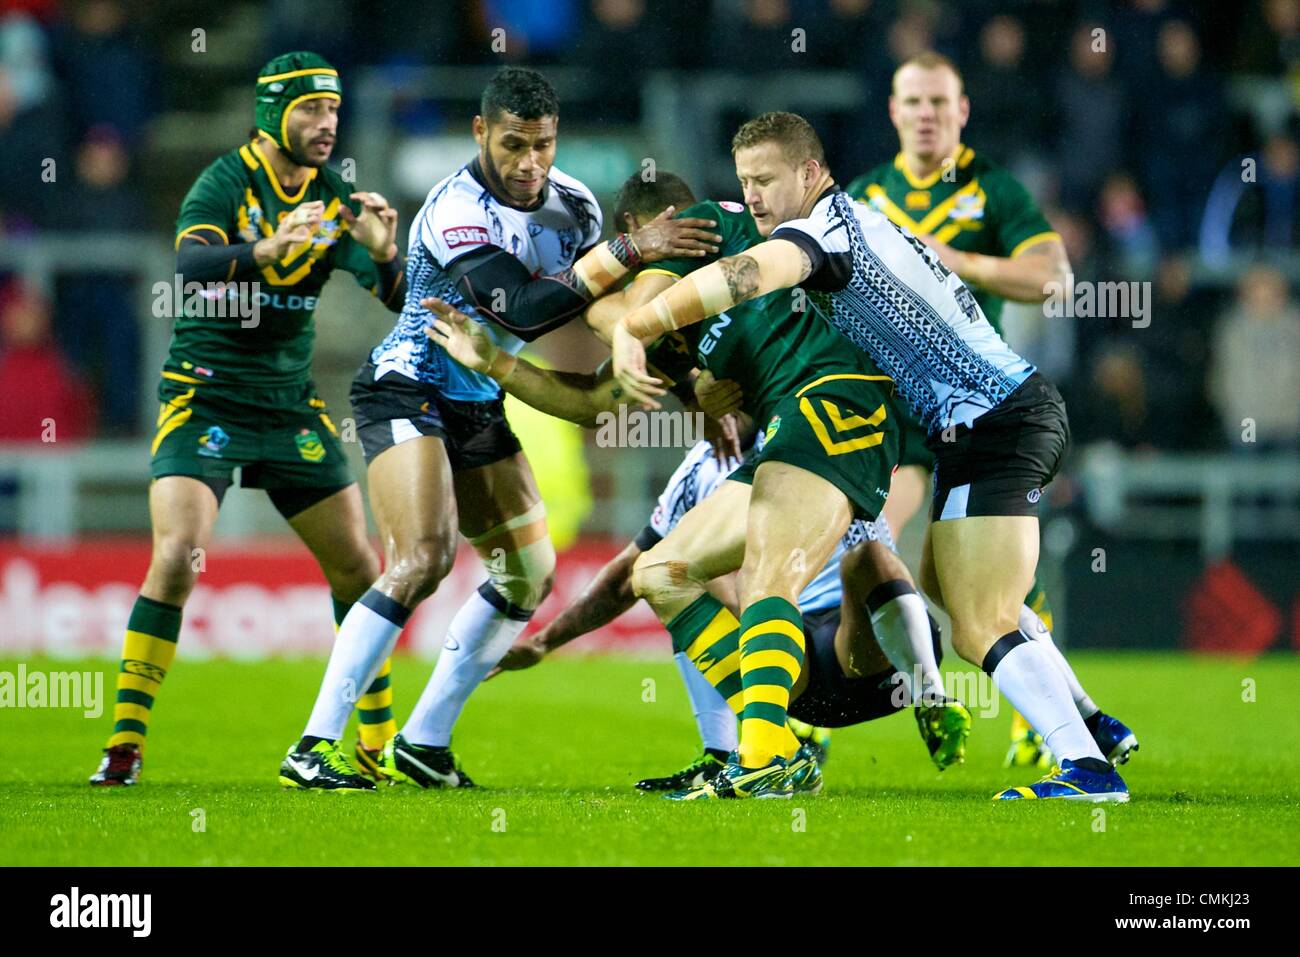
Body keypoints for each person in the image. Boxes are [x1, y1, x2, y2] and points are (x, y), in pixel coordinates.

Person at [610, 111, 1135, 802]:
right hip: (980, 422)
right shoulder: (852, 219)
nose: (755, 195)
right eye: (744, 181)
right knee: (954, 592)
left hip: (994, 420)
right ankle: (1094, 724)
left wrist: (636, 325)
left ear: (809, 172)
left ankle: (1087, 772)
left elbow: (740, 277)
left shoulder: (822, 231)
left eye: (766, 179)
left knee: (980, 622)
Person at [432, 168, 969, 799]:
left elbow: (624, 310)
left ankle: (895, 709)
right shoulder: (677, 349)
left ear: (642, 230)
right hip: (811, 653)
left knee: (845, 562)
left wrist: (610, 305)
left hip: (832, 421)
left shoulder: (719, 231)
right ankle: (772, 742)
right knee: (660, 572)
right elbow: (589, 403)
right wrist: (496, 362)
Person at [279, 67, 721, 791]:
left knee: (528, 573)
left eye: (543, 145)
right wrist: (634, 252)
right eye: (513, 144)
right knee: (422, 557)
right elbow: (517, 308)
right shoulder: (456, 209)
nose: (529, 164)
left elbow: (591, 308)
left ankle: (423, 742)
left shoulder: (575, 207)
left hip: (479, 397)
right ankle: (313, 744)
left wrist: (683, 378)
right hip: (408, 383)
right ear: (482, 132)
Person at [91, 51, 407, 786]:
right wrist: (266, 249)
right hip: (205, 395)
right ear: (272, 113)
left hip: (289, 404)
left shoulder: (337, 198)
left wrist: (387, 256)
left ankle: (373, 745)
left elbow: (395, 294)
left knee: (362, 570)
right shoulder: (224, 182)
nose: (327, 125)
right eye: (309, 110)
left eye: (332, 110)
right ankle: (124, 744)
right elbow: (191, 268)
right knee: (177, 555)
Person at [845, 50, 1078, 768]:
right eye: (912, 101)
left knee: (976, 579)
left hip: (969, 406)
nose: (925, 115)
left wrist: (956, 259)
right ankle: (838, 709)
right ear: (892, 110)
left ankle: (1048, 725)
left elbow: (1055, 279)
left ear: (963, 112)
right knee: (859, 541)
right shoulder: (865, 194)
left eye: (939, 103)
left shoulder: (993, 192)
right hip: (887, 404)